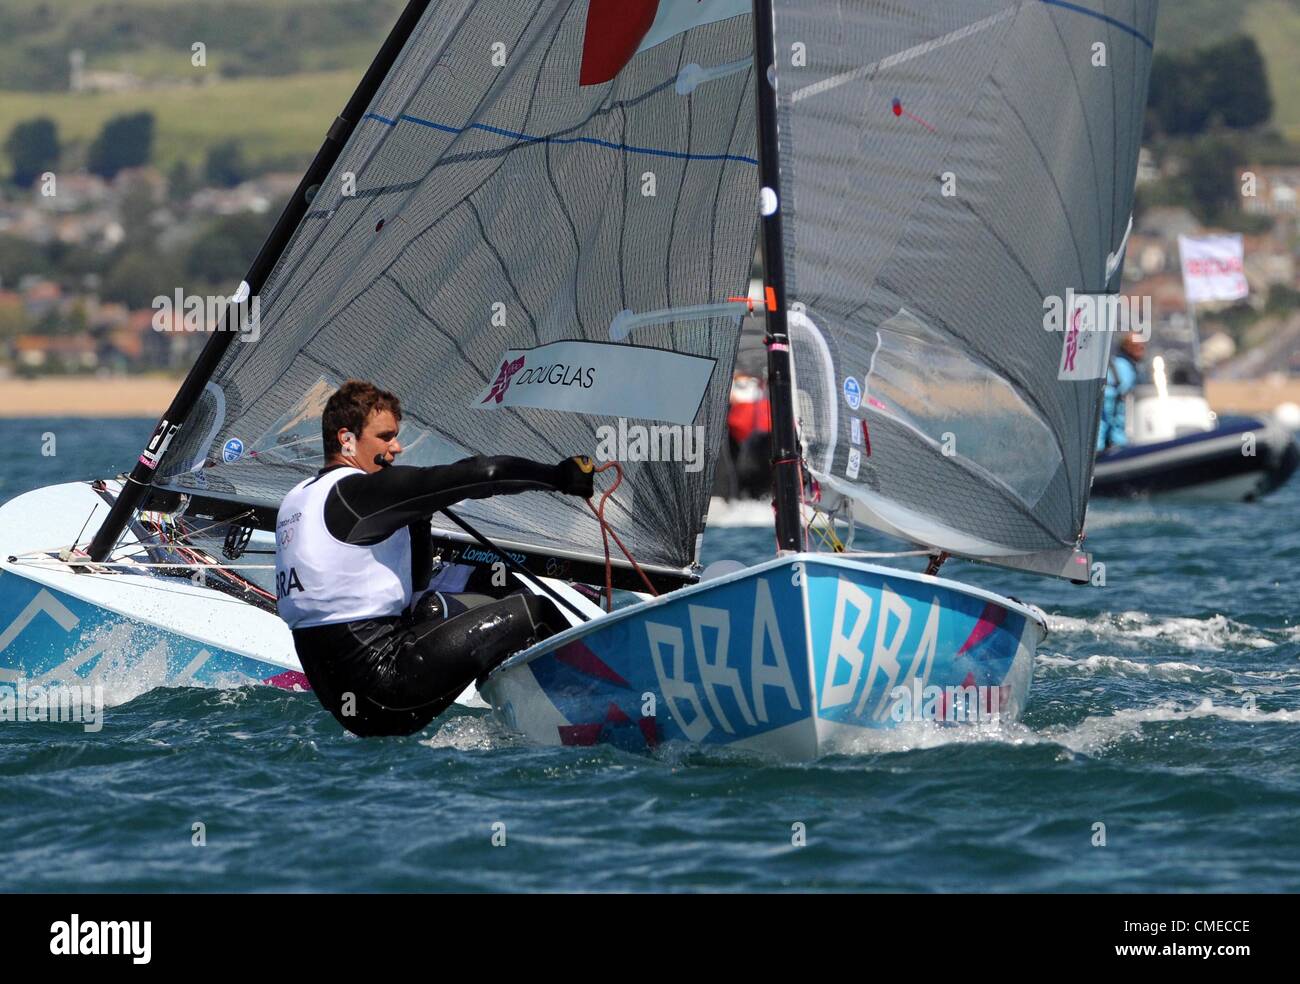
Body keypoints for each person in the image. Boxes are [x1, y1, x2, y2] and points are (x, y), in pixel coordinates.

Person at [274, 379, 593, 737]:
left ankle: (528, 707)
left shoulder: (298, 498)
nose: (397, 447)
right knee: (535, 612)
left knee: (436, 608)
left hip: (346, 699)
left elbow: (416, 583)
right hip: (386, 682)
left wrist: (419, 517)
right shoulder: (356, 494)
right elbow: (482, 474)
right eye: (385, 437)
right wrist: (558, 477)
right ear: (347, 439)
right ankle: (603, 702)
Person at [1097, 332, 1147, 453]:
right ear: (1129, 348)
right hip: (1111, 441)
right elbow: (1111, 404)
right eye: (1139, 346)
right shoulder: (1124, 368)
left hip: (1112, 435)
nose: (1142, 349)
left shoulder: (1127, 366)